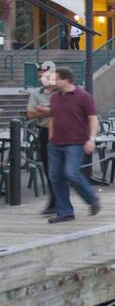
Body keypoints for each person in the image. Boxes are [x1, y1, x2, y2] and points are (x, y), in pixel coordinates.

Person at [46, 67, 101, 223]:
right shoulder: (54, 97)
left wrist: (91, 139)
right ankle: (65, 212)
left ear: (66, 79)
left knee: (71, 173)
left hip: (75, 142)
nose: (54, 82)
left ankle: (92, 199)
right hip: (55, 143)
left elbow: (93, 118)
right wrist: (50, 138)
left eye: (56, 79)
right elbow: (52, 118)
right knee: (55, 177)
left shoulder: (83, 96)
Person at [25, 72, 57, 214]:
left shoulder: (60, 92)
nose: (42, 79)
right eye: (40, 76)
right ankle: (54, 200)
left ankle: (59, 200)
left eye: (45, 76)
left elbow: (60, 111)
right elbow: (30, 114)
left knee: (61, 168)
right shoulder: (36, 94)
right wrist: (49, 111)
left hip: (60, 131)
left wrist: (42, 109)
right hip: (43, 131)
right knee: (48, 166)